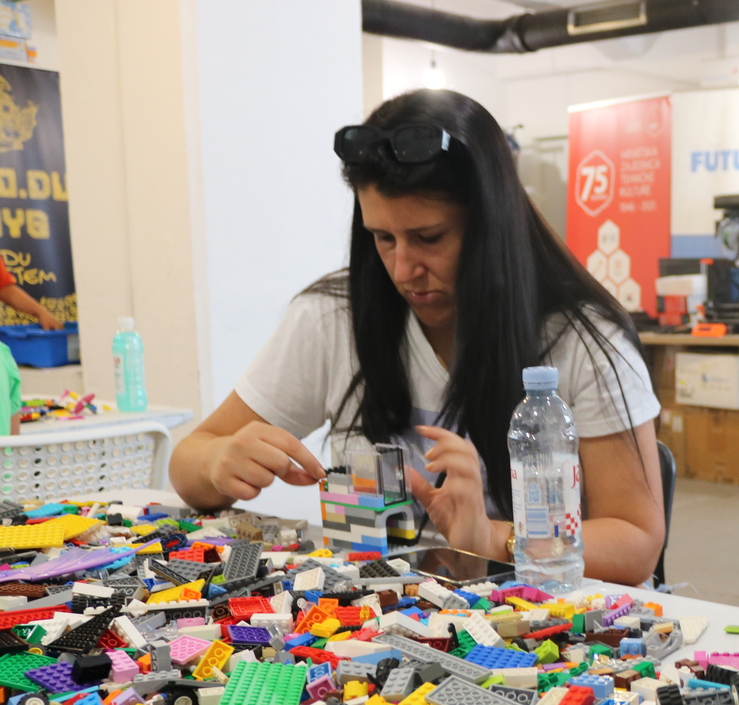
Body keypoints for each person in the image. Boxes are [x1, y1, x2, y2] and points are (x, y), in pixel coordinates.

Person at [170, 90, 665, 585]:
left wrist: (493, 539)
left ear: (491, 226)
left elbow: (635, 541)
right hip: (372, 620)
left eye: (430, 238)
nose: (404, 269)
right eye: (383, 239)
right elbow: (188, 461)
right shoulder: (330, 319)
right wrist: (219, 463)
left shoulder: (582, 340)